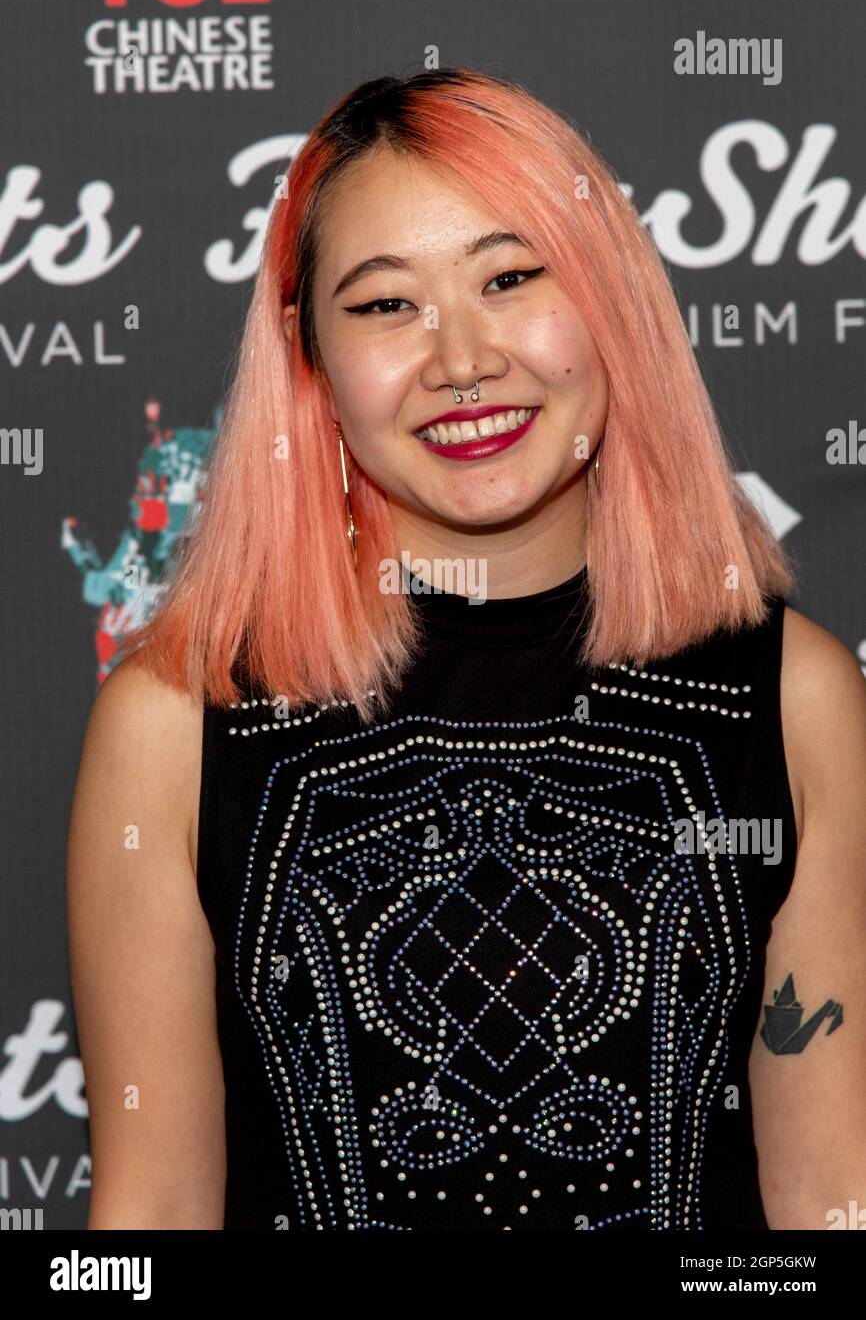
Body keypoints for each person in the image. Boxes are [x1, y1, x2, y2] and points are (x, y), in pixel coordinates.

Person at [67, 67, 866, 1231]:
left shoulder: (792, 695)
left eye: (509, 277)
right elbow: (151, 1217)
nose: (460, 359)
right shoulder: (176, 717)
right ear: (311, 360)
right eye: (386, 305)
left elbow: (828, 1199)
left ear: (608, 303)